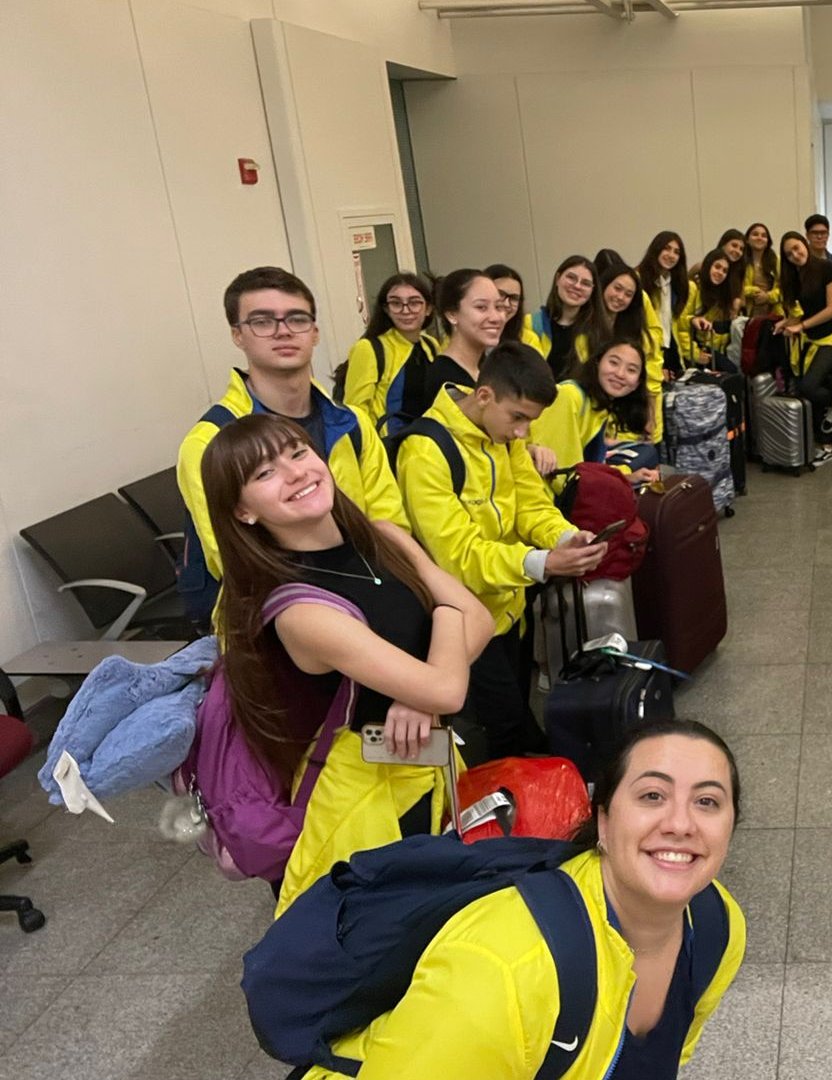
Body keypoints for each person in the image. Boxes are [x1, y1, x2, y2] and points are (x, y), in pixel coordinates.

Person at [300, 719, 748, 1080]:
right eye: (653, 795)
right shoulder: (505, 964)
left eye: (707, 802)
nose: (681, 823)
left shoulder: (717, 925)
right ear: (605, 823)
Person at [199, 413, 495, 915]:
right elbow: (450, 682)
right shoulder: (299, 609)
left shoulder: (384, 538)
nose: (295, 473)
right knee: (380, 943)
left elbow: (483, 621)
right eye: (265, 474)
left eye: (298, 453)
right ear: (244, 512)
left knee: (440, 920)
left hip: (419, 769)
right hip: (355, 801)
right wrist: (447, 617)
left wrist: (412, 695)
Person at [395, 343, 606, 761]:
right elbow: (457, 556)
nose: (523, 433)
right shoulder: (425, 450)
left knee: (515, 715)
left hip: (509, 605)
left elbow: (531, 504)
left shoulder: (501, 437)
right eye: (518, 418)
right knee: (500, 728)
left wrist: (565, 538)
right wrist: (542, 563)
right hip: (463, 621)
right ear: (485, 395)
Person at [177, 267, 407, 624]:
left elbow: (388, 522)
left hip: (369, 598)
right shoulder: (212, 442)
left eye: (296, 318)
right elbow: (239, 558)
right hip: (284, 621)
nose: (283, 331)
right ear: (238, 335)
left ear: (314, 332)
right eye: (262, 321)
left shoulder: (353, 423)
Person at [528, 339, 660, 486]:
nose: (620, 374)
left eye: (631, 370)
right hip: (546, 497)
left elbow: (587, 466)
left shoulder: (600, 407)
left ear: (637, 383)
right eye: (614, 363)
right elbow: (561, 475)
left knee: (648, 453)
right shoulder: (570, 396)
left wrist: (627, 478)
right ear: (597, 363)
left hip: (573, 488)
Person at [779, 230, 832, 461]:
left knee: (809, 387)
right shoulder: (793, 277)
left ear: (805, 244)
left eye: (797, 248)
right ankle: (828, 431)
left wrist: (801, 326)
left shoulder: (826, 268)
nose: (795, 254)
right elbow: (805, 311)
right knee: (805, 385)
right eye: (789, 253)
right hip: (811, 337)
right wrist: (787, 322)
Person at [340, 272, 440, 432]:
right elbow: (355, 412)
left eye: (414, 303)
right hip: (389, 447)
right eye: (396, 303)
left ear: (428, 309)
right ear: (386, 309)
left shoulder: (431, 345)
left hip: (429, 444)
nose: (405, 311)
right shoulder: (369, 348)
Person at [582, 263, 664, 443]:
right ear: (603, 286)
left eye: (628, 294)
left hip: (631, 421)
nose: (620, 297)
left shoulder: (636, 331)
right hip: (595, 425)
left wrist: (650, 416)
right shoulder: (584, 329)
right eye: (617, 288)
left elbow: (649, 377)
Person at [418, 268, 506, 403]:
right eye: (481, 307)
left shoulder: (488, 369)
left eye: (498, 307)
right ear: (452, 314)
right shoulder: (444, 380)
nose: (495, 317)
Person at [526, 256, 598, 380]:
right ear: (558, 279)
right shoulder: (531, 324)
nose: (577, 286)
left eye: (586, 283)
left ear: (592, 290)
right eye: (571, 278)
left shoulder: (597, 331)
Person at [674, 249, 740, 372]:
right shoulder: (692, 288)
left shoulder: (720, 296)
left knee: (732, 373)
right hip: (687, 352)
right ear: (708, 266)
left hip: (707, 351)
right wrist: (695, 355)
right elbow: (680, 325)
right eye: (717, 267)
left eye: (725, 271)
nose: (720, 273)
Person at [637, 231, 689, 378]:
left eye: (676, 252)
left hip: (669, 346)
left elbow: (673, 321)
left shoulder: (676, 284)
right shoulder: (638, 280)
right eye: (667, 248)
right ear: (656, 249)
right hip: (647, 349)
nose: (671, 255)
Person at [741, 222, 782, 320]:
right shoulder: (740, 261)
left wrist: (768, 296)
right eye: (755, 234)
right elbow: (734, 289)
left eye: (764, 236)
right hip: (747, 314)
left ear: (768, 241)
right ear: (747, 239)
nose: (759, 238)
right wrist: (753, 291)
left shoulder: (777, 261)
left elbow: (786, 289)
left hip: (774, 314)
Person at [485, 263, 529, 347]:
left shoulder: (528, 339)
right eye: (501, 294)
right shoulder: (460, 337)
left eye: (514, 298)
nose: (506, 304)